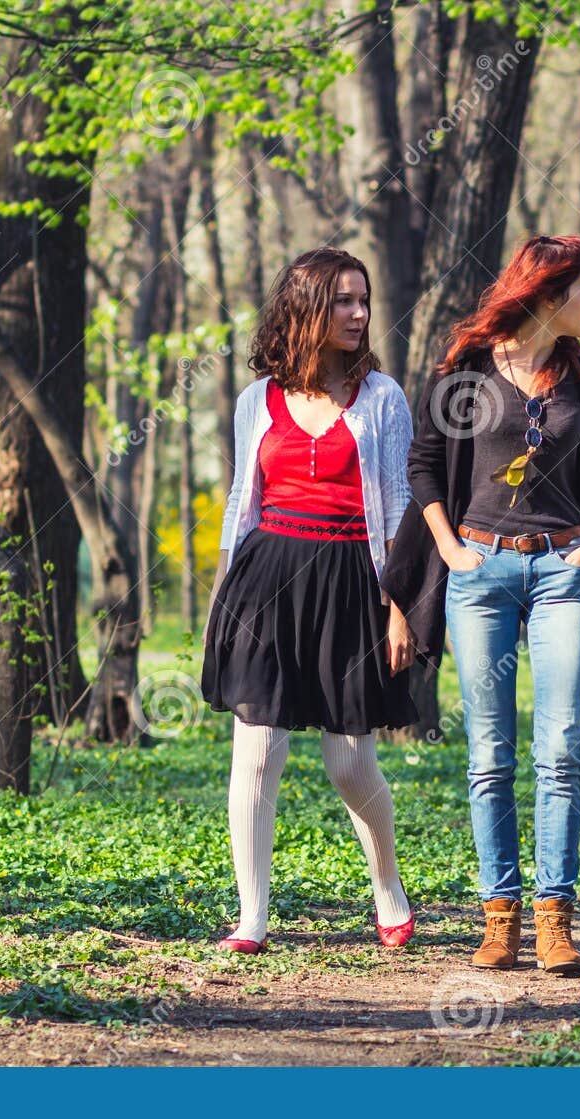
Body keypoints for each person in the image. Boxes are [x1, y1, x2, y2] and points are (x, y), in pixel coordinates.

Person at [382, 236, 580, 976]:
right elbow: (423, 464)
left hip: (561, 571)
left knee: (561, 752)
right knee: (489, 756)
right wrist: (451, 550)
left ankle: (554, 920)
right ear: (549, 294)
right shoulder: (470, 371)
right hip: (479, 571)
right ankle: (499, 917)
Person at [202, 246, 418, 954]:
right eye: (344, 301)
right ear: (306, 310)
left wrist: (400, 605)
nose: (359, 314)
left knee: (349, 763)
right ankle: (253, 917)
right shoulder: (255, 400)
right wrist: (222, 599)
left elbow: (404, 508)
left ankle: (387, 883)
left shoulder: (382, 398)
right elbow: (243, 500)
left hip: (354, 581)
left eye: (364, 300)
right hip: (267, 580)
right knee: (258, 754)